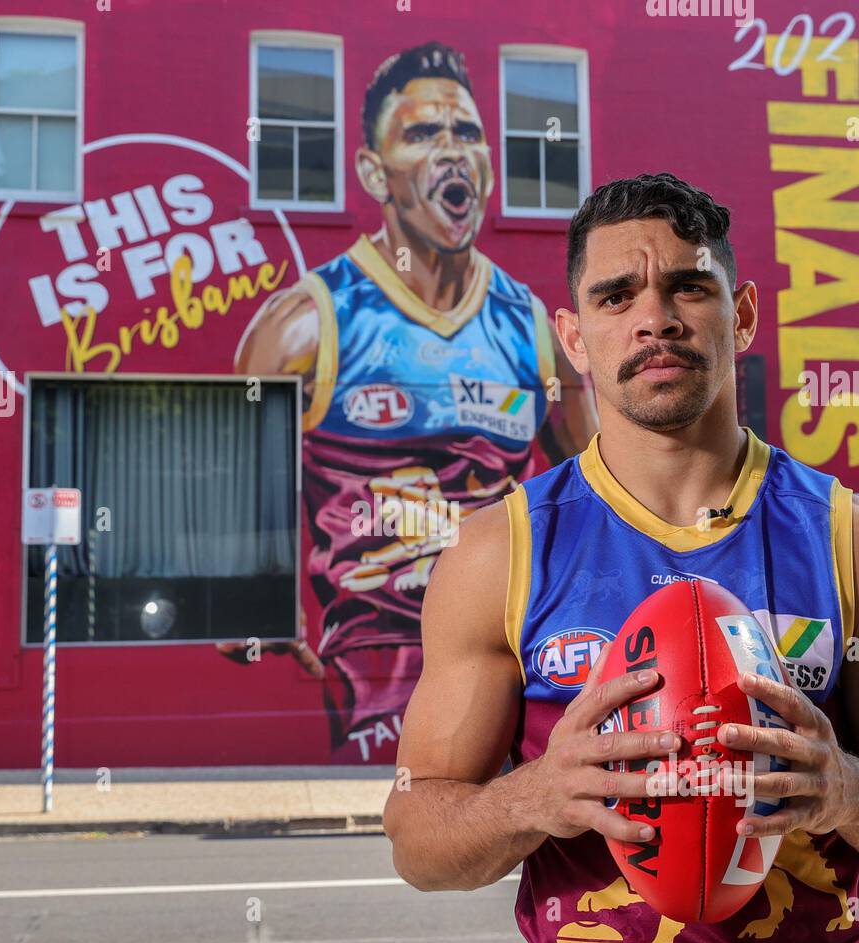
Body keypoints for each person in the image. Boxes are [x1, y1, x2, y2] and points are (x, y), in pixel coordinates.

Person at [384, 172, 859, 943]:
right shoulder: (500, 553)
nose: (653, 316)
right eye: (616, 294)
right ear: (574, 336)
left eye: (686, 286)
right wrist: (534, 797)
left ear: (738, 316)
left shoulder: (853, 541)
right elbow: (416, 837)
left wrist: (850, 790)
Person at [226, 42, 596, 763]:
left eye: (467, 133)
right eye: (424, 134)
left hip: (502, 652)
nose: (452, 152)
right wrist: (253, 607)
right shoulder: (304, 324)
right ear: (374, 171)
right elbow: (232, 489)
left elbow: (601, 494)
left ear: (490, 161)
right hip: (374, 660)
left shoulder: (532, 328)